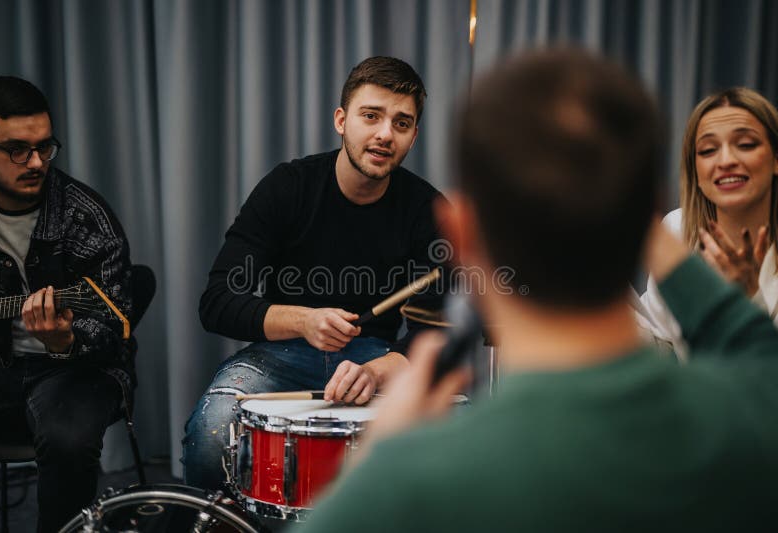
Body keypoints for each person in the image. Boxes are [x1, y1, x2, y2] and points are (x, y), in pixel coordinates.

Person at [297, 50, 778, 532]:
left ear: (460, 235)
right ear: (648, 220)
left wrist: (376, 466)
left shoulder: (417, 487)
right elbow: (750, 345)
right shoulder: (754, 417)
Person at [183, 56, 446, 490]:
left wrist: (380, 370)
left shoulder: (428, 213)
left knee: (434, 456)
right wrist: (303, 320)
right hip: (279, 354)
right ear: (342, 120)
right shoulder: (287, 187)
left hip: (375, 357)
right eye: (371, 116)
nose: (385, 133)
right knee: (213, 441)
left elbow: (437, 334)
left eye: (401, 123)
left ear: (413, 136)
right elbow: (216, 304)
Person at [0, 76, 134, 533]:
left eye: (45, 147)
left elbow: (115, 322)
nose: (36, 162)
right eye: (17, 149)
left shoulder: (86, 218)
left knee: (68, 440)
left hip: (70, 371)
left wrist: (65, 340)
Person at [638, 87, 778, 356]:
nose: (725, 161)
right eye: (708, 150)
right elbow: (663, 345)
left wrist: (750, 300)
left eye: (746, 145)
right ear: (696, 171)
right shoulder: (675, 229)